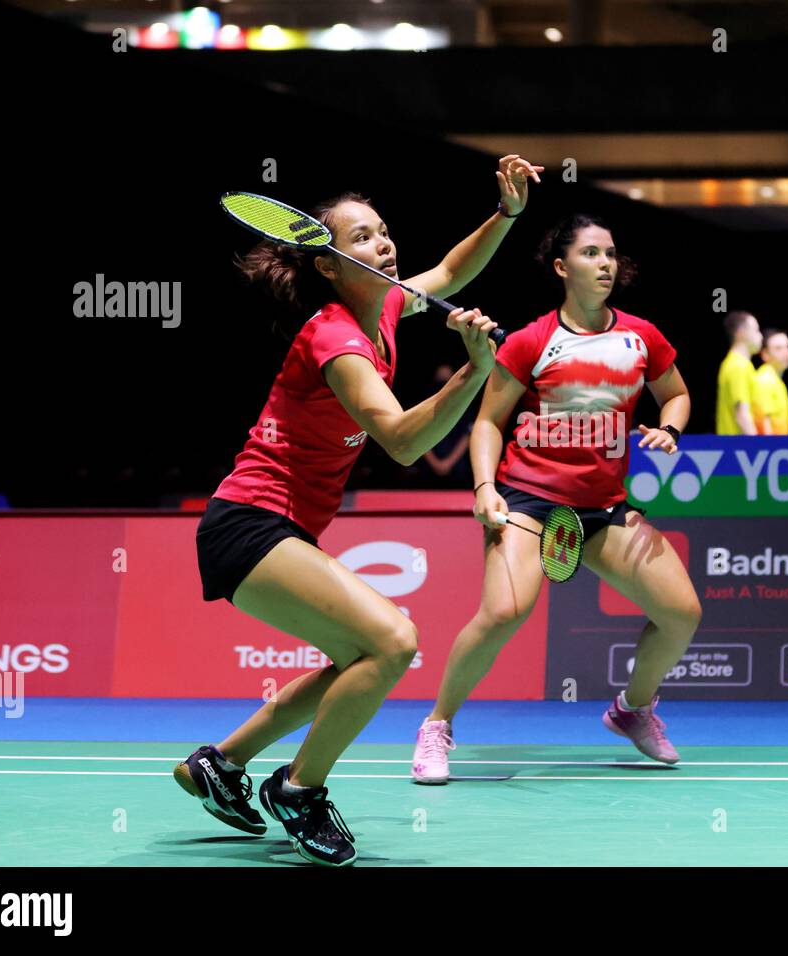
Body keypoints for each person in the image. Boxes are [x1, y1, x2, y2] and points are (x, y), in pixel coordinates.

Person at [173, 155, 543, 866]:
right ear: (329, 266)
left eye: (383, 232)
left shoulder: (386, 312)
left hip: (278, 527)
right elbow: (404, 442)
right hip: (247, 522)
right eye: (364, 239)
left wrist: (508, 215)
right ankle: (300, 789)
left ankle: (220, 763)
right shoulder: (335, 339)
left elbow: (450, 271)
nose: (385, 245)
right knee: (394, 641)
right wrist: (475, 370)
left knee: (357, 656)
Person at [410, 213, 702, 784]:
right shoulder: (530, 341)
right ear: (563, 267)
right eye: (593, 254)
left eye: (612, 254)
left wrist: (670, 428)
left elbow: (678, 394)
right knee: (502, 612)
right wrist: (485, 487)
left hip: (603, 505)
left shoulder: (642, 337)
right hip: (527, 499)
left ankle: (633, 710)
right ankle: (437, 725)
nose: (606, 264)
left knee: (681, 614)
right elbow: (489, 423)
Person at [421, 364, 474, 486]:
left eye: (447, 380)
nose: (443, 385)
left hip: (457, 470)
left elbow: (468, 435)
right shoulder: (425, 404)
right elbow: (416, 432)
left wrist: (448, 463)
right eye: (440, 381)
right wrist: (435, 463)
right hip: (429, 471)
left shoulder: (464, 402)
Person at [716, 311, 762, 435]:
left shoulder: (735, 363)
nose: (760, 336)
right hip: (738, 448)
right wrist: (759, 449)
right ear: (741, 333)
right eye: (756, 330)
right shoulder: (738, 366)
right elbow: (742, 415)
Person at [752, 328, 788, 434]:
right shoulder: (764, 380)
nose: (785, 352)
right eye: (778, 348)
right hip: (771, 449)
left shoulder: (778, 382)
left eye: (787, 347)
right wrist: (769, 448)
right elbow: (763, 422)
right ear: (765, 354)